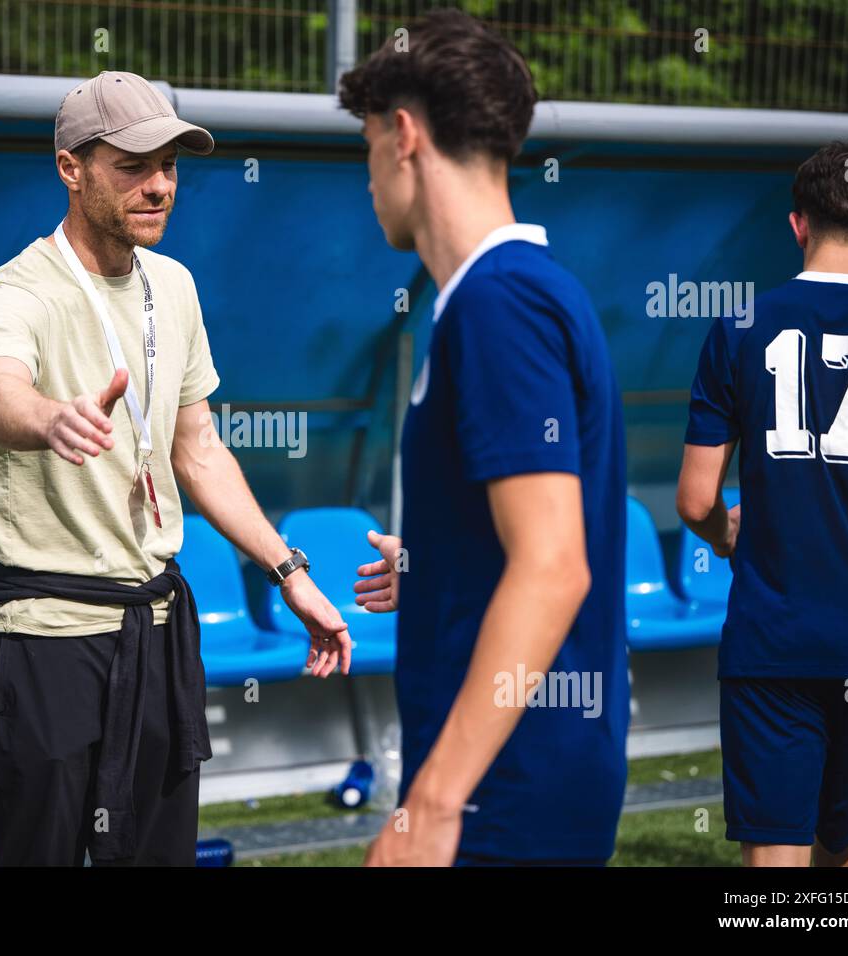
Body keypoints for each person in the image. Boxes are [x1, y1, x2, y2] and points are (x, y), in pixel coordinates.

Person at [0, 70, 351, 866]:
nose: (159, 185)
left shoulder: (173, 286)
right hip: (46, 635)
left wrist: (289, 571)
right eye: (133, 165)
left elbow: (199, 450)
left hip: (156, 630)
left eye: (170, 165)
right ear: (71, 167)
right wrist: (49, 418)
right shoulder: (14, 292)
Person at [341, 11, 629, 867]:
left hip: (502, 790)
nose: (365, 180)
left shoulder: (499, 305)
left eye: (364, 148)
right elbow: (527, 536)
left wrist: (432, 801)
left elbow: (553, 563)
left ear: (404, 136)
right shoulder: (518, 292)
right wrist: (437, 561)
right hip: (521, 777)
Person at [678, 138, 848, 867]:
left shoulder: (739, 327)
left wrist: (723, 533)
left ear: (796, 224)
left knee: (776, 877)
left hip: (772, 642)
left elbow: (694, 499)